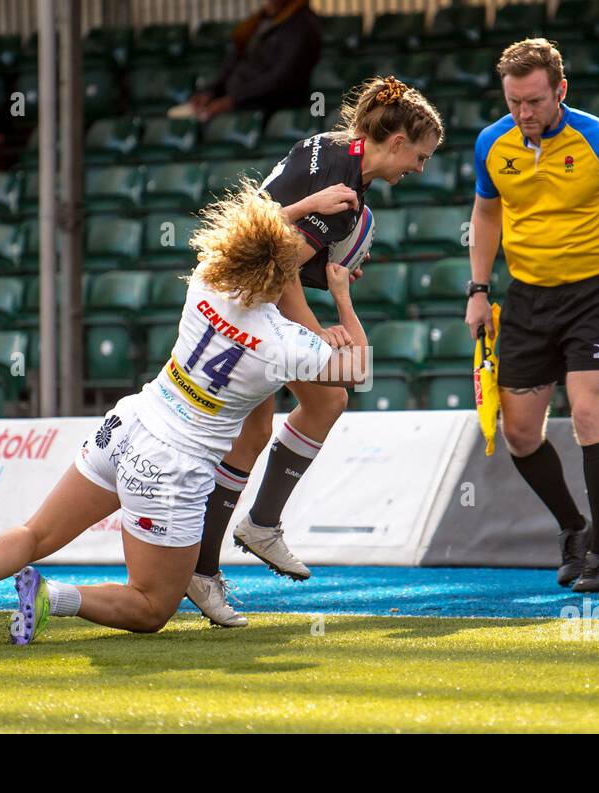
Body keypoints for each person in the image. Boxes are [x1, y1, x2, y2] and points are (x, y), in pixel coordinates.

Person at [0, 184, 370, 647]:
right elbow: (360, 370)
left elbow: (258, 221)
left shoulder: (209, 280)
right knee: (152, 607)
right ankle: (52, 595)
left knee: (35, 532)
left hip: (130, 423)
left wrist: (303, 206)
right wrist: (341, 293)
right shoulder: (286, 344)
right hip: (172, 466)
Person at [187, 76, 443, 628]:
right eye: (419, 156)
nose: (419, 168)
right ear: (395, 141)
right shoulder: (347, 194)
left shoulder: (332, 147)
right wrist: (317, 333)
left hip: (233, 289)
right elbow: (281, 265)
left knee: (263, 428)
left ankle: (221, 553)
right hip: (250, 301)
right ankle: (227, 545)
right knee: (325, 400)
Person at [465, 38, 599, 593]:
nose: (524, 113)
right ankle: (573, 529)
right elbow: (486, 214)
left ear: (561, 89)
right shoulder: (492, 144)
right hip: (528, 299)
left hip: (596, 296)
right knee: (519, 434)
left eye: (534, 101)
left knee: (587, 416)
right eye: (514, 102)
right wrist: (479, 290)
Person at [176, 0, 321, 122]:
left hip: (268, 108)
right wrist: (212, 92)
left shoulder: (303, 23)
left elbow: (282, 78)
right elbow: (233, 63)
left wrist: (233, 100)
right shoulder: (259, 21)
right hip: (240, 101)